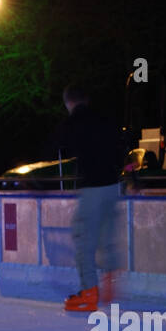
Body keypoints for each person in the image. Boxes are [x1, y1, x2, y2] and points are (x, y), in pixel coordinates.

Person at [51, 85, 126, 312]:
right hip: (114, 185)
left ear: (68, 103)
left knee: (83, 237)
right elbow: (122, 144)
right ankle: (110, 283)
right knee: (107, 235)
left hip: (92, 186)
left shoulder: (75, 121)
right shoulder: (105, 119)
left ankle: (89, 292)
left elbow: (57, 144)